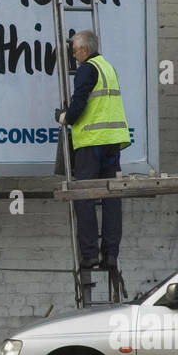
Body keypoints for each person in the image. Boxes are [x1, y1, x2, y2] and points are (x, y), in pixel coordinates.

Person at [55, 30, 130, 270]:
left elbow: (79, 103)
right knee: (111, 198)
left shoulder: (87, 69)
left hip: (91, 143)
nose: (74, 55)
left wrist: (65, 117)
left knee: (84, 197)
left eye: (75, 50)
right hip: (113, 143)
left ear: (85, 50)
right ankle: (111, 255)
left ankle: (89, 254)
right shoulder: (108, 67)